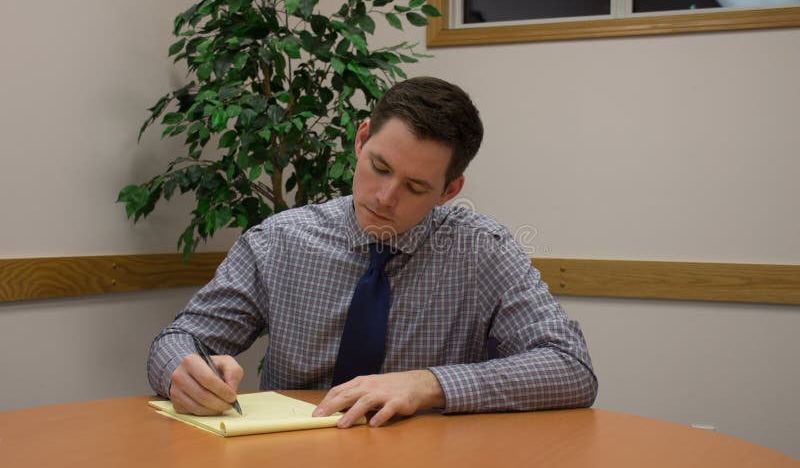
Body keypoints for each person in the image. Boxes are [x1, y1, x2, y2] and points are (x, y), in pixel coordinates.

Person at [147, 76, 597, 428]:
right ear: (361, 139)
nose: (384, 198)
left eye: (416, 186)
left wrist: (429, 384)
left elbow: (571, 367)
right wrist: (181, 371)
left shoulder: (483, 251)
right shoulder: (278, 241)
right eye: (378, 166)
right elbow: (179, 340)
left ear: (449, 190)